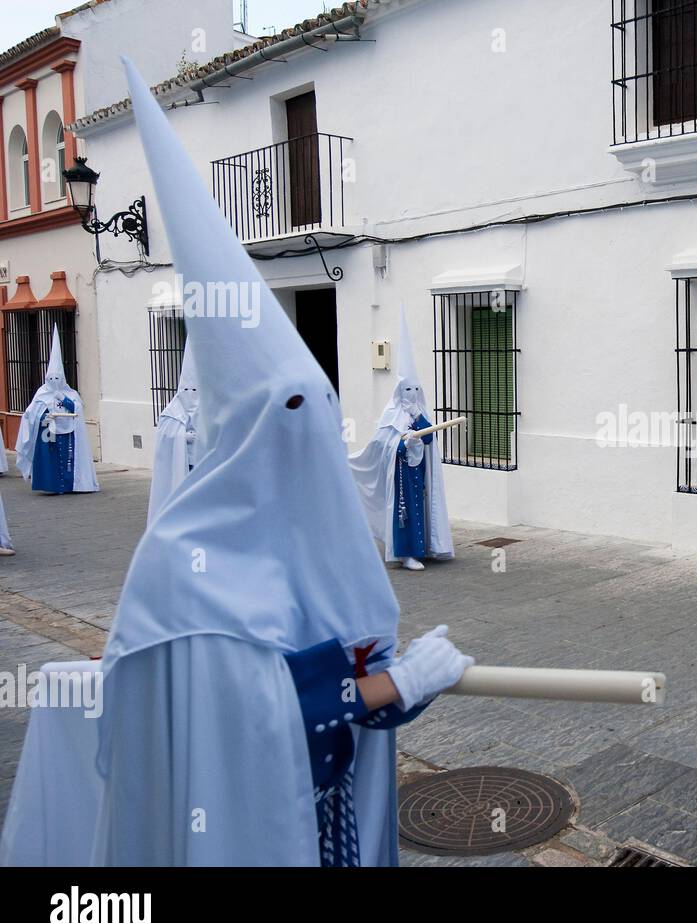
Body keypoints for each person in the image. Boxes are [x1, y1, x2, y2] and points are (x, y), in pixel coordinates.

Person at [92, 59, 473, 866]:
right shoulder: (178, 568)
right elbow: (259, 727)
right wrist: (390, 689)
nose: (309, 437)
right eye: (290, 415)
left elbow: (341, 677)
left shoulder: (309, 534)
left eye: (319, 412)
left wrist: (392, 686)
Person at [349, 308, 454, 570]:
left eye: (416, 389)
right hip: (399, 474)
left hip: (418, 472)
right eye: (407, 389)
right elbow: (382, 445)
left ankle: (424, 547)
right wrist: (402, 444)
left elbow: (429, 440)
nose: (412, 393)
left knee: (420, 508)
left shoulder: (420, 412)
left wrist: (419, 426)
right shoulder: (391, 415)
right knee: (403, 512)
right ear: (399, 391)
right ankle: (405, 553)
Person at [14, 329, 99, 494]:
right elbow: (31, 413)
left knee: (68, 460)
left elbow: (77, 409)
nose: (54, 381)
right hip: (48, 431)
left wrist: (63, 399)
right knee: (50, 460)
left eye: (57, 378)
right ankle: (52, 486)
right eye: (51, 378)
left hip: (68, 433)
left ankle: (70, 485)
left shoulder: (70, 393)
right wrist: (45, 415)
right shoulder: (42, 393)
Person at [146, 342, 199, 525]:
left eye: (195, 391)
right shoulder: (171, 413)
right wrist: (183, 437)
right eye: (187, 390)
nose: (190, 394)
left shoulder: (210, 408)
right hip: (182, 467)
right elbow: (165, 438)